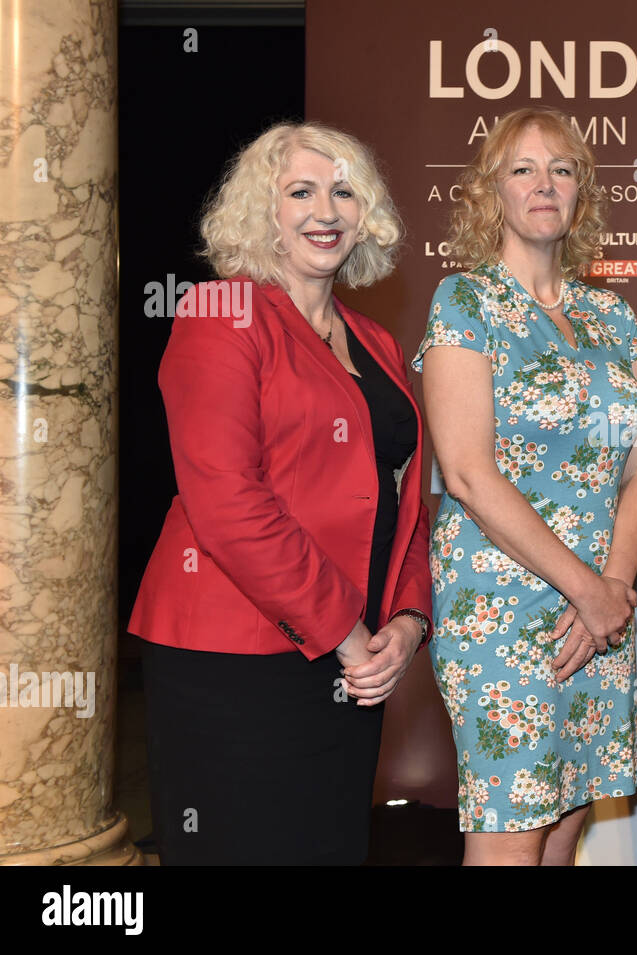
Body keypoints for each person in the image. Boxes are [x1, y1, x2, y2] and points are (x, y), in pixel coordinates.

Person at [128, 122, 432, 865]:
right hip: (236, 659)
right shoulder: (217, 314)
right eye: (300, 191)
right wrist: (346, 632)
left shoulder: (376, 342)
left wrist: (409, 619)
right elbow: (229, 502)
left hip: (349, 665)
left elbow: (410, 496)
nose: (325, 210)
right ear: (263, 211)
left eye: (343, 191)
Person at [414, 106, 637, 866]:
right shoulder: (465, 302)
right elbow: (467, 472)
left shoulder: (613, 316)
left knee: (562, 833)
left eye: (562, 168)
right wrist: (585, 588)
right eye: (523, 168)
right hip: (503, 614)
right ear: (493, 191)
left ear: (581, 191)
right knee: (510, 839)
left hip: (600, 619)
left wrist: (611, 587)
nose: (544, 183)